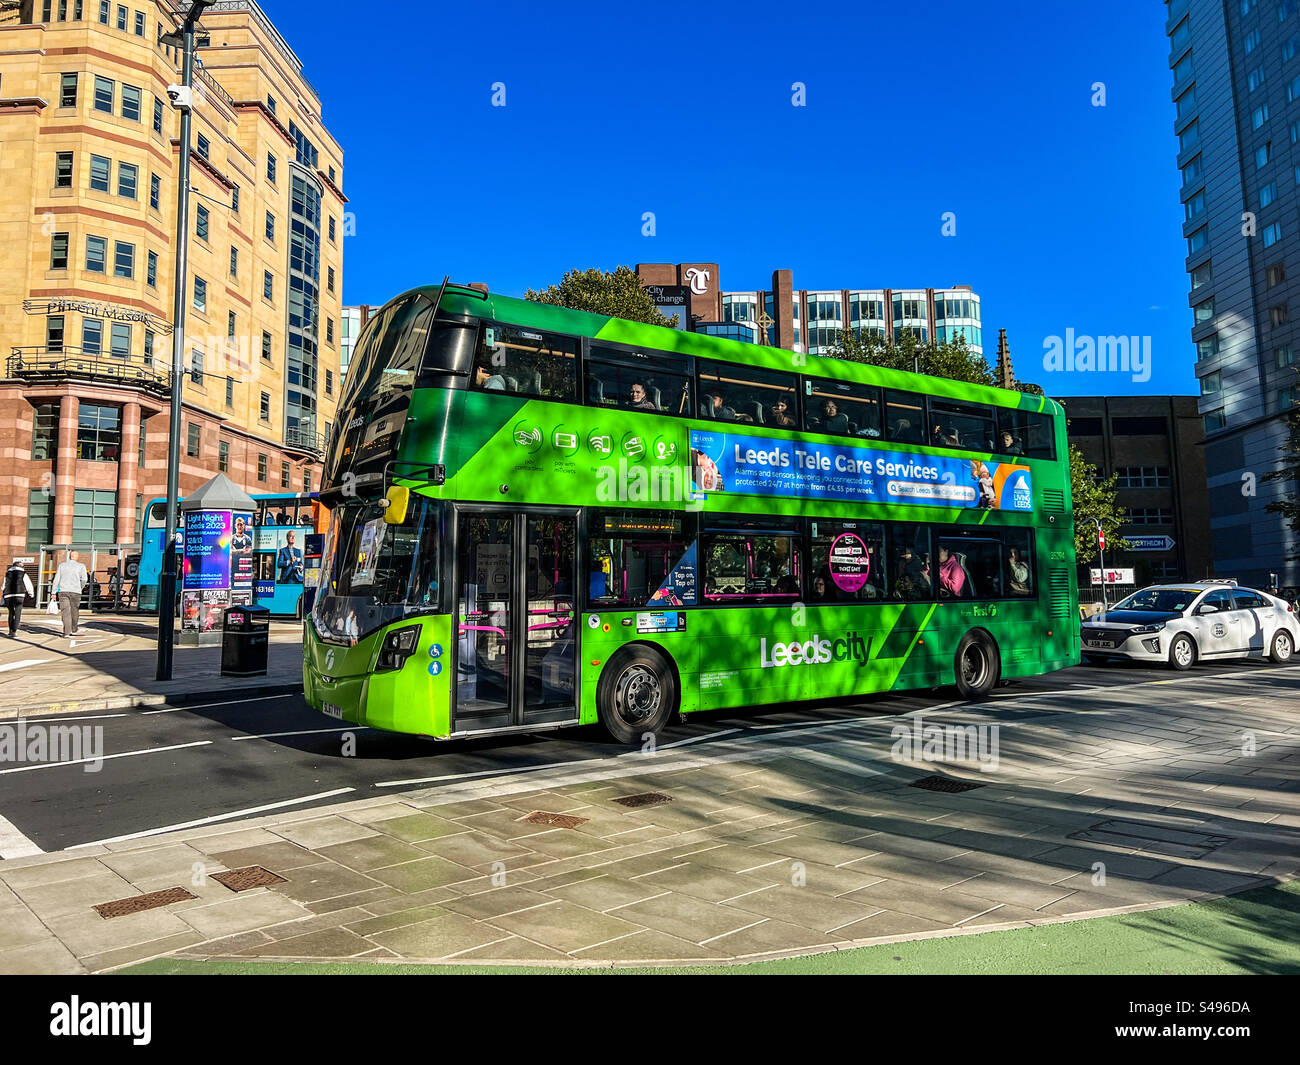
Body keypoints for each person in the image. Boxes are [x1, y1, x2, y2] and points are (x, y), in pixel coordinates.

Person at [51, 549, 88, 638]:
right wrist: (80, 587)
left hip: (63, 591)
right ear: (77, 557)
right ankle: (74, 628)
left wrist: (53, 592)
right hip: (76, 591)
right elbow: (84, 579)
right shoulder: (81, 566)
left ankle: (67, 632)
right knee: (74, 610)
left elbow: (57, 579)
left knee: (65, 612)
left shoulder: (62, 566)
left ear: (69, 557)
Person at [3, 559, 34, 638]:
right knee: (17, 613)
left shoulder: (7, 574)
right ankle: (14, 631)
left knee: (11, 612)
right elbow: (28, 585)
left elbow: (3, 586)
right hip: (19, 594)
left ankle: (10, 630)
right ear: (21, 566)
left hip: (8, 595)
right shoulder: (23, 574)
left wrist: (4, 593)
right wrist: (31, 595)